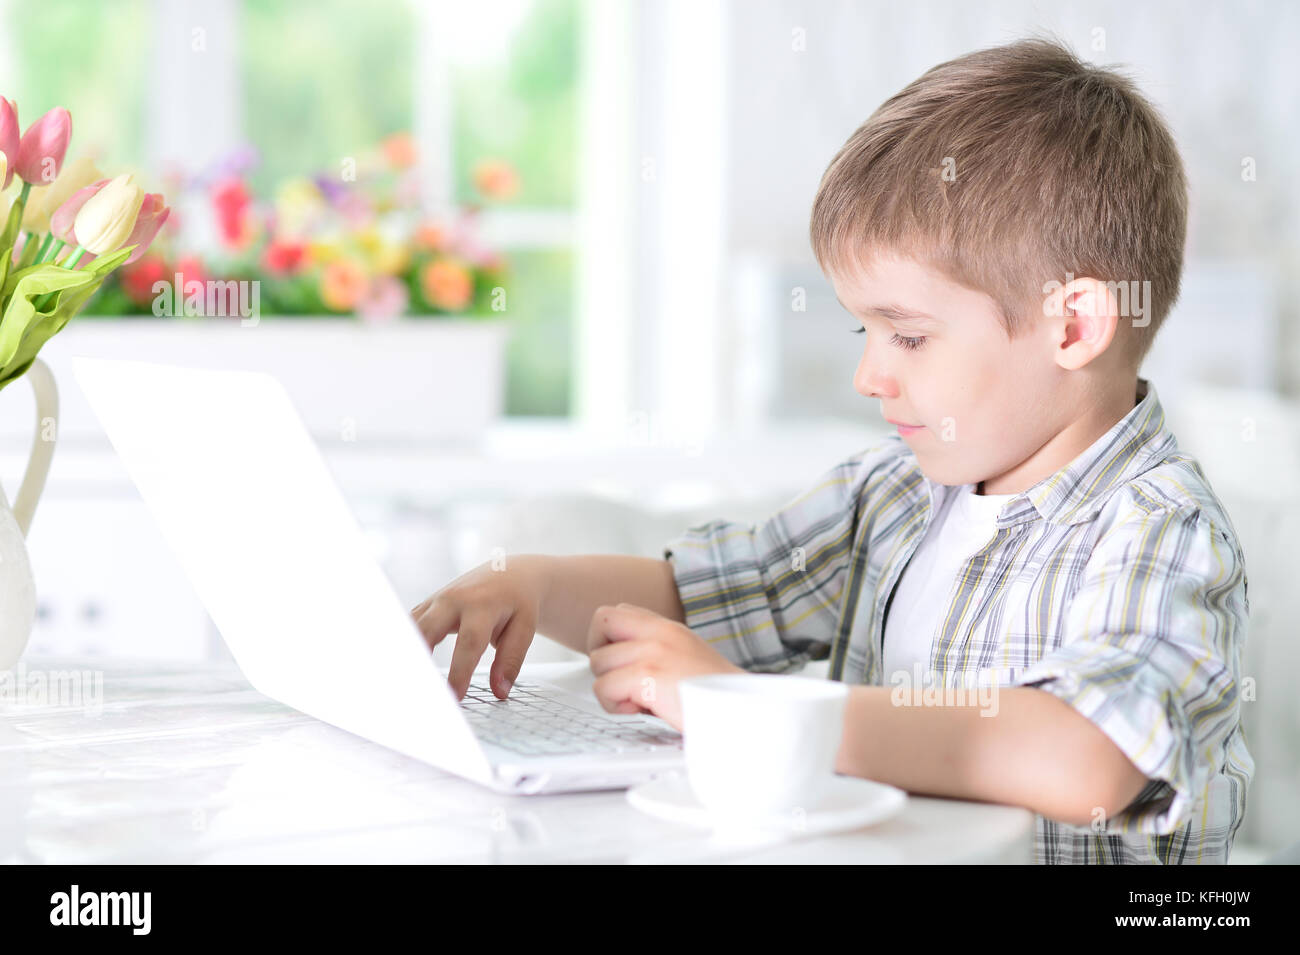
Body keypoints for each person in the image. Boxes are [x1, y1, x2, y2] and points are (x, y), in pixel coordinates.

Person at [410, 36, 1252, 865]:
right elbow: (707, 594)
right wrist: (535, 582)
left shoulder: (1160, 531)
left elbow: (1089, 757)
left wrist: (745, 708)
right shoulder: (891, 497)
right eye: (865, 329)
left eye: (909, 336)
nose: (869, 375)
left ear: (1074, 326)